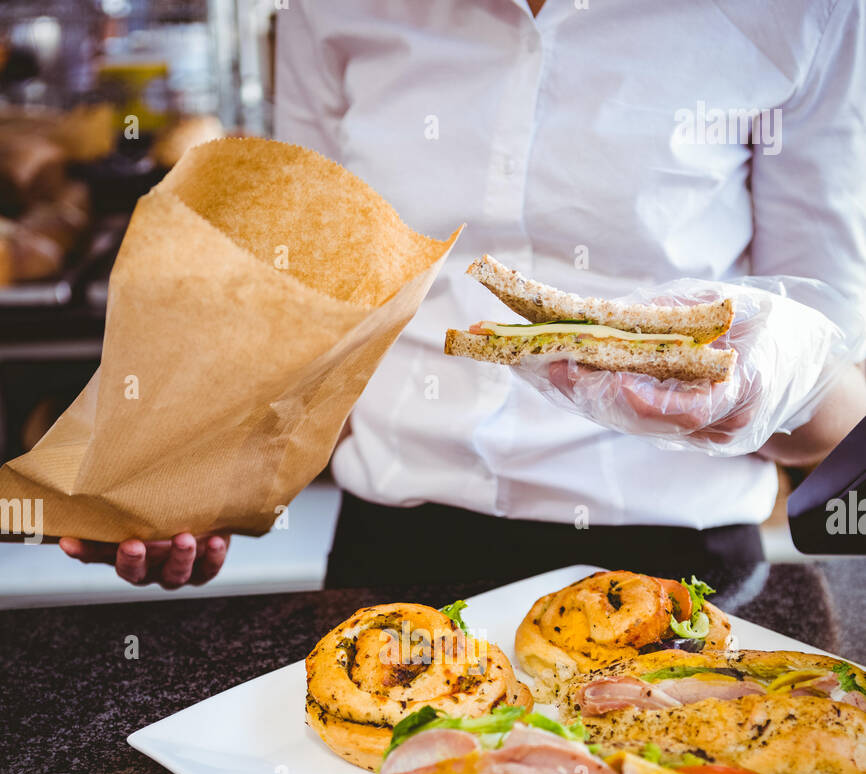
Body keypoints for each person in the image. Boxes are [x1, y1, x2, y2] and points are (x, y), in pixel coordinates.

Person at [62, 0, 866, 590]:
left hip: (677, 568)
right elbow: (302, 306)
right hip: (391, 561)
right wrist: (181, 479)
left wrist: (775, 383)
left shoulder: (808, 12)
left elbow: (835, 428)